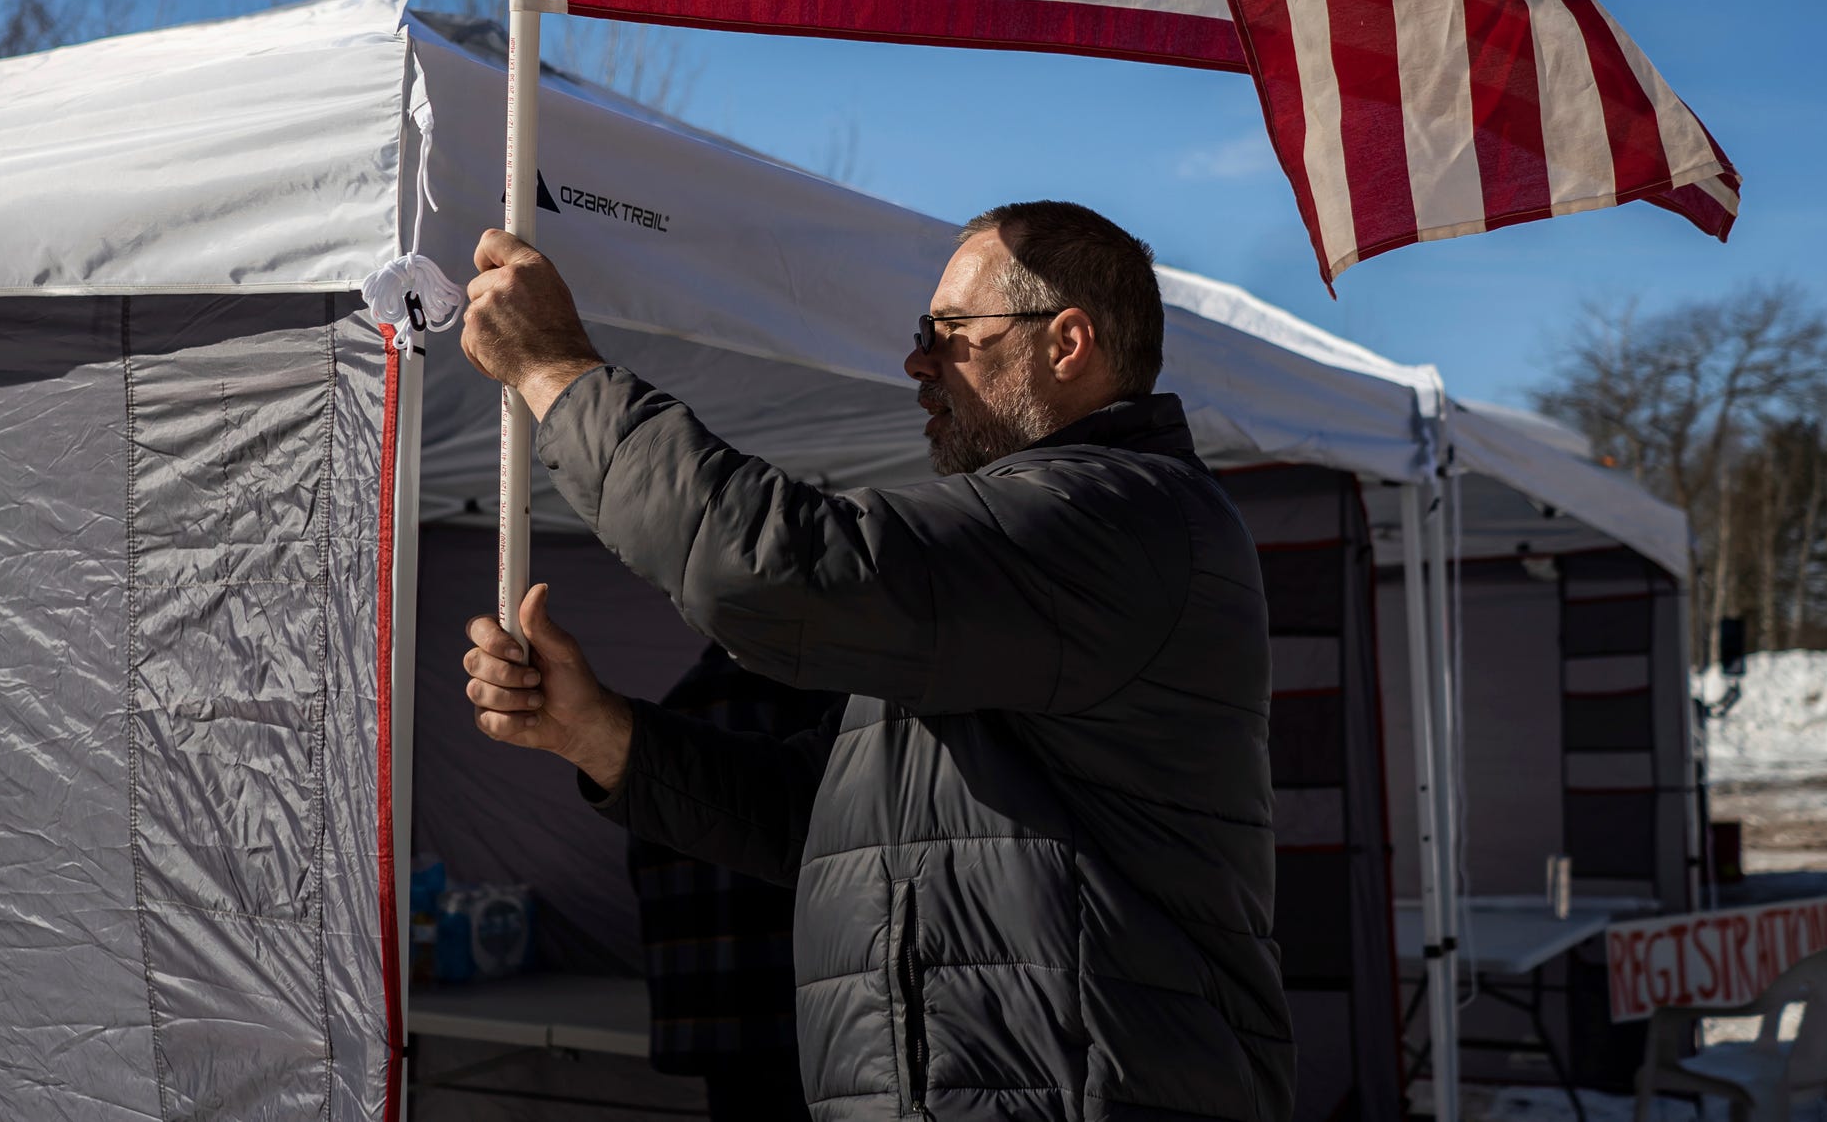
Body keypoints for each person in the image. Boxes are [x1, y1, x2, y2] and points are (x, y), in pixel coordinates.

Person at [459, 200, 1292, 1122]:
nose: (918, 360)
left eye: (947, 332)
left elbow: (774, 569)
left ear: (1067, 343)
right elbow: (816, 815)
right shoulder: (1023, 584)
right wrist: (602, 734)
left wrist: (556, 371)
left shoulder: (1119, 519)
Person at [628, 642, 837, 1122]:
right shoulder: (811, 703)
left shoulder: (673, 707)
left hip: (707, 1010)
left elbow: (642, 862)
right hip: (794, 1012)